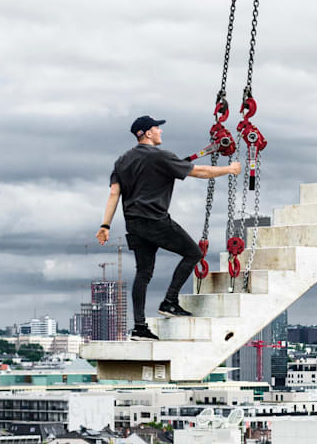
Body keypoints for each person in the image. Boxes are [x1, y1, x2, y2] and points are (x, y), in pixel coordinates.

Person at [97, 115, 238, 340]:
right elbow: (200, 172)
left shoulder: (122, 161)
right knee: (193, 253)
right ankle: (170, 302)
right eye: (157, 128)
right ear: (148, 133)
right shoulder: (160, 157)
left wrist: (105, 225)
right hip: (154, 219)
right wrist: (229, 169)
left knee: (143, 273)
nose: (161, 132)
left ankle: (139, 327)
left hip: (134, 223)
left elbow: (114, 193)